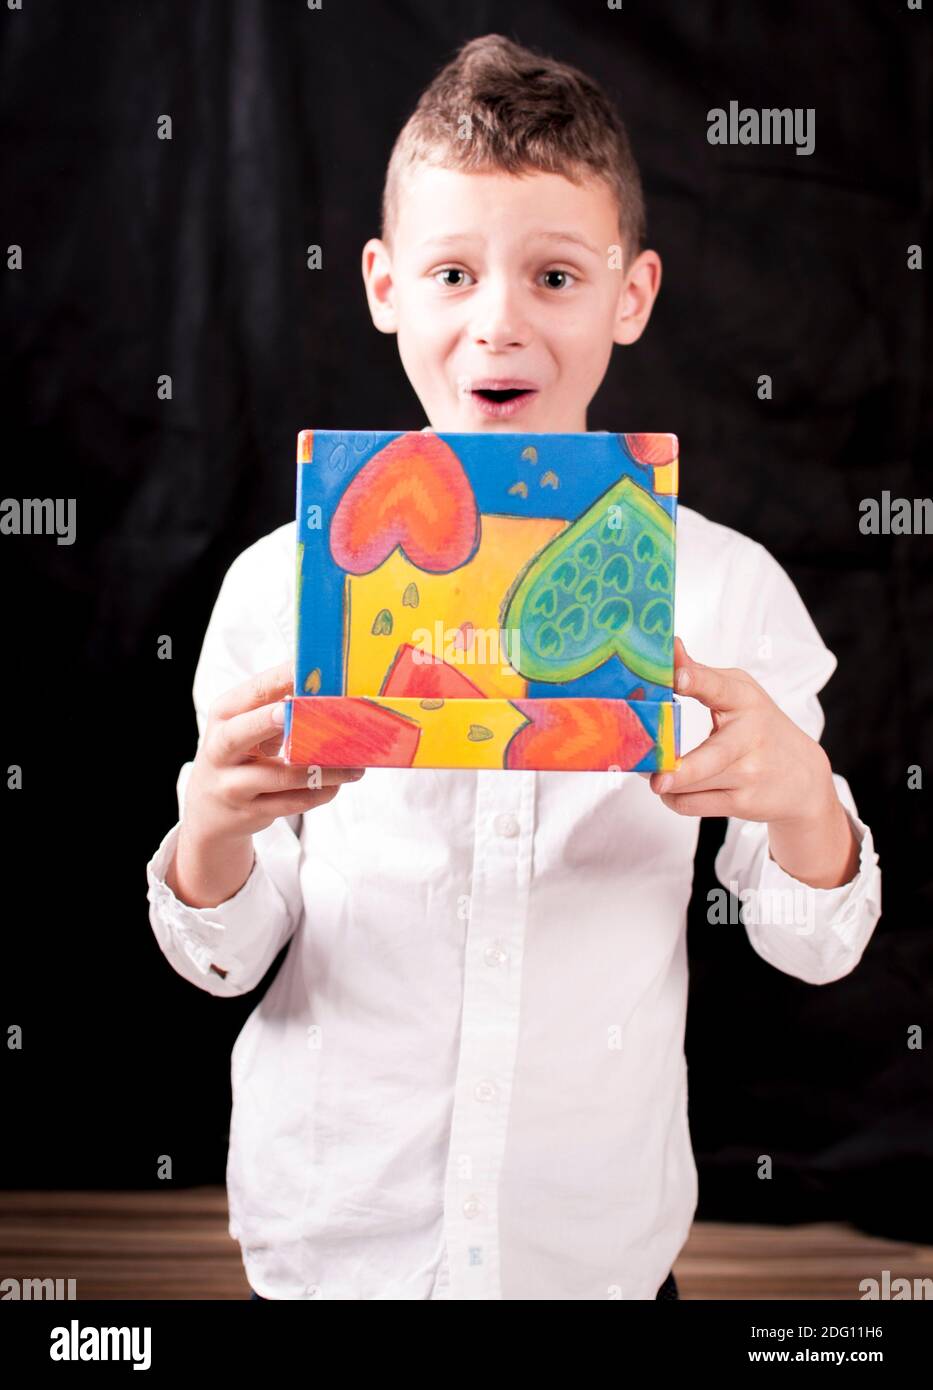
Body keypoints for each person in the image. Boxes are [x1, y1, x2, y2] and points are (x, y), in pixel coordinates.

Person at [145, 34, 881, 1301]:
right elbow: (225, 949)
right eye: (451, 273)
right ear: (382, 286)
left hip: (591, 1262)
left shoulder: (725, 589)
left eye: (554, 275)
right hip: (335, 1249)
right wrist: (207, 835)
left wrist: (808, 802)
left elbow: (815, 947)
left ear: (632, 296)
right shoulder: (281, 585)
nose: (500, 322)